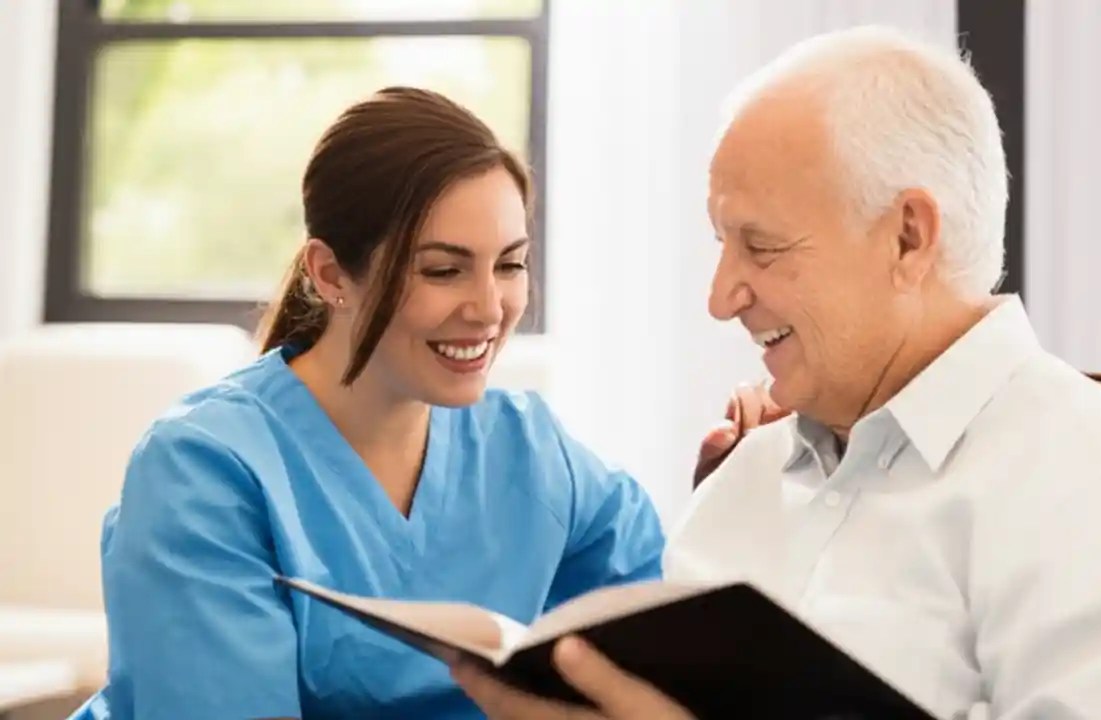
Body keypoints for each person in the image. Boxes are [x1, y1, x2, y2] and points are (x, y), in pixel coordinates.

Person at [453, 26, 1101, 720]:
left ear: (907, 237)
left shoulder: (1098, 493)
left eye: (762, 247)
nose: (721, 298)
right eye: (722, 246)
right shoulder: (744, 482)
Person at [75, 86, 670, 720]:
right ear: (331, 274)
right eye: (443, 270)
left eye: (510, 265)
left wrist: (733, 491)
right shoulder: (202, 469)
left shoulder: (534, 455)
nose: (489, 309)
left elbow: (663, 634)